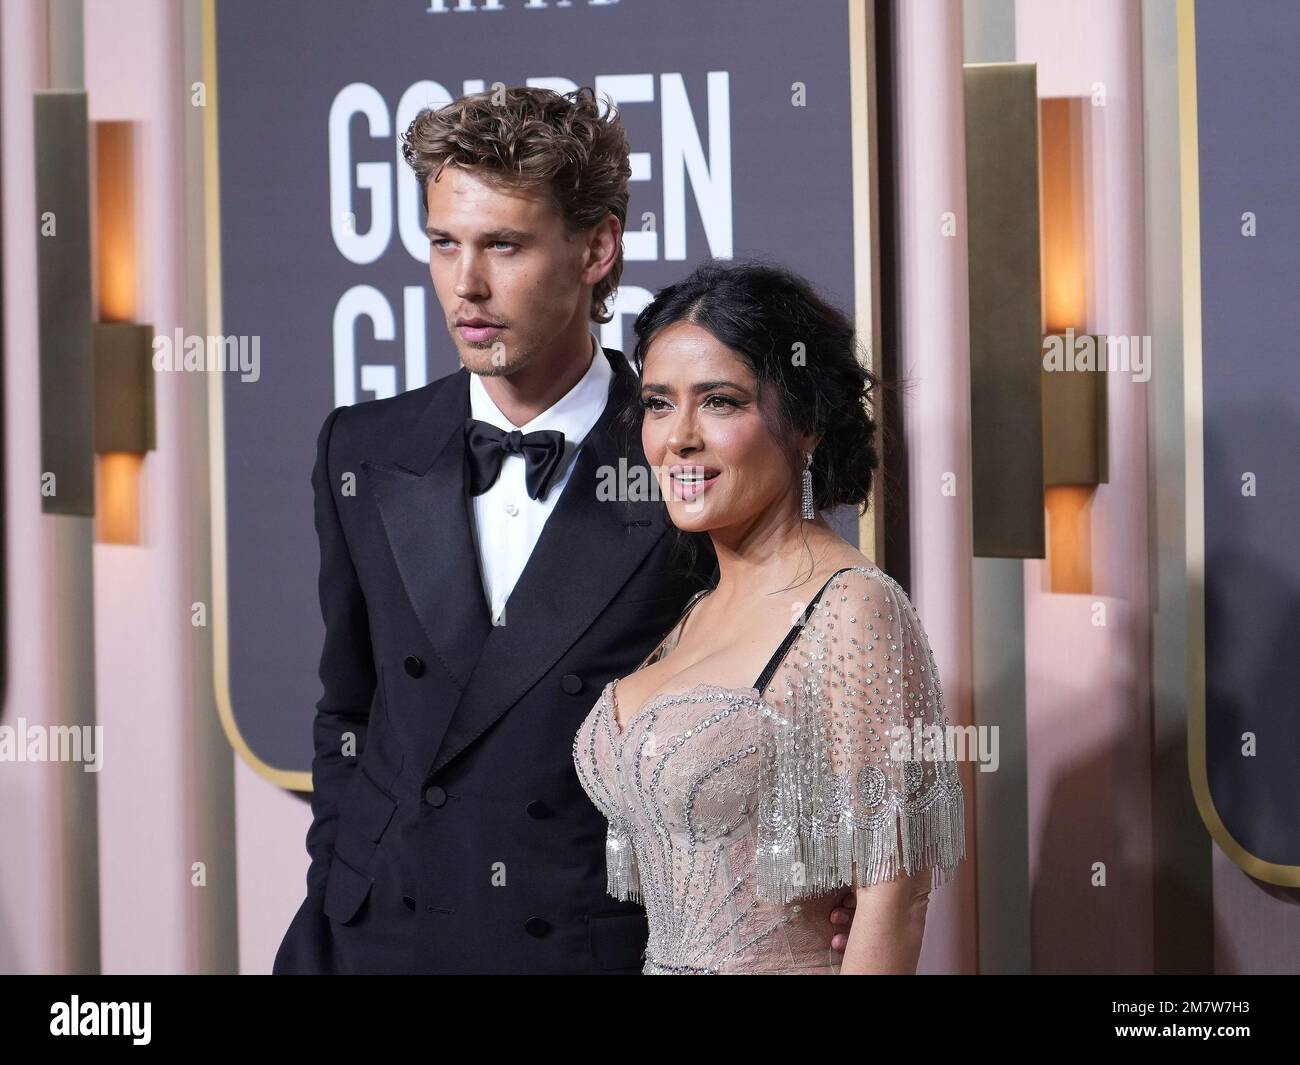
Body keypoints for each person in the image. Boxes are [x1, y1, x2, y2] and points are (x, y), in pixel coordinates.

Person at [272, 87, 858, 974]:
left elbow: (785, 703)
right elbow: (349, 707)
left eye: (504, 245)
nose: (466, 283)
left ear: (597, 247)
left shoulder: (689, 457)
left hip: (585, 943)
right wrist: (338, 880)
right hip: (370, 937)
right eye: (443, 243)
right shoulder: (362, 447)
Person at [572, 259, 967, 974]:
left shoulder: (853, 609)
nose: (679, 437)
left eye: (719, 402)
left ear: (807, 421)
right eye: (660, 403)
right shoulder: (692, 611)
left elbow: (895, 894)